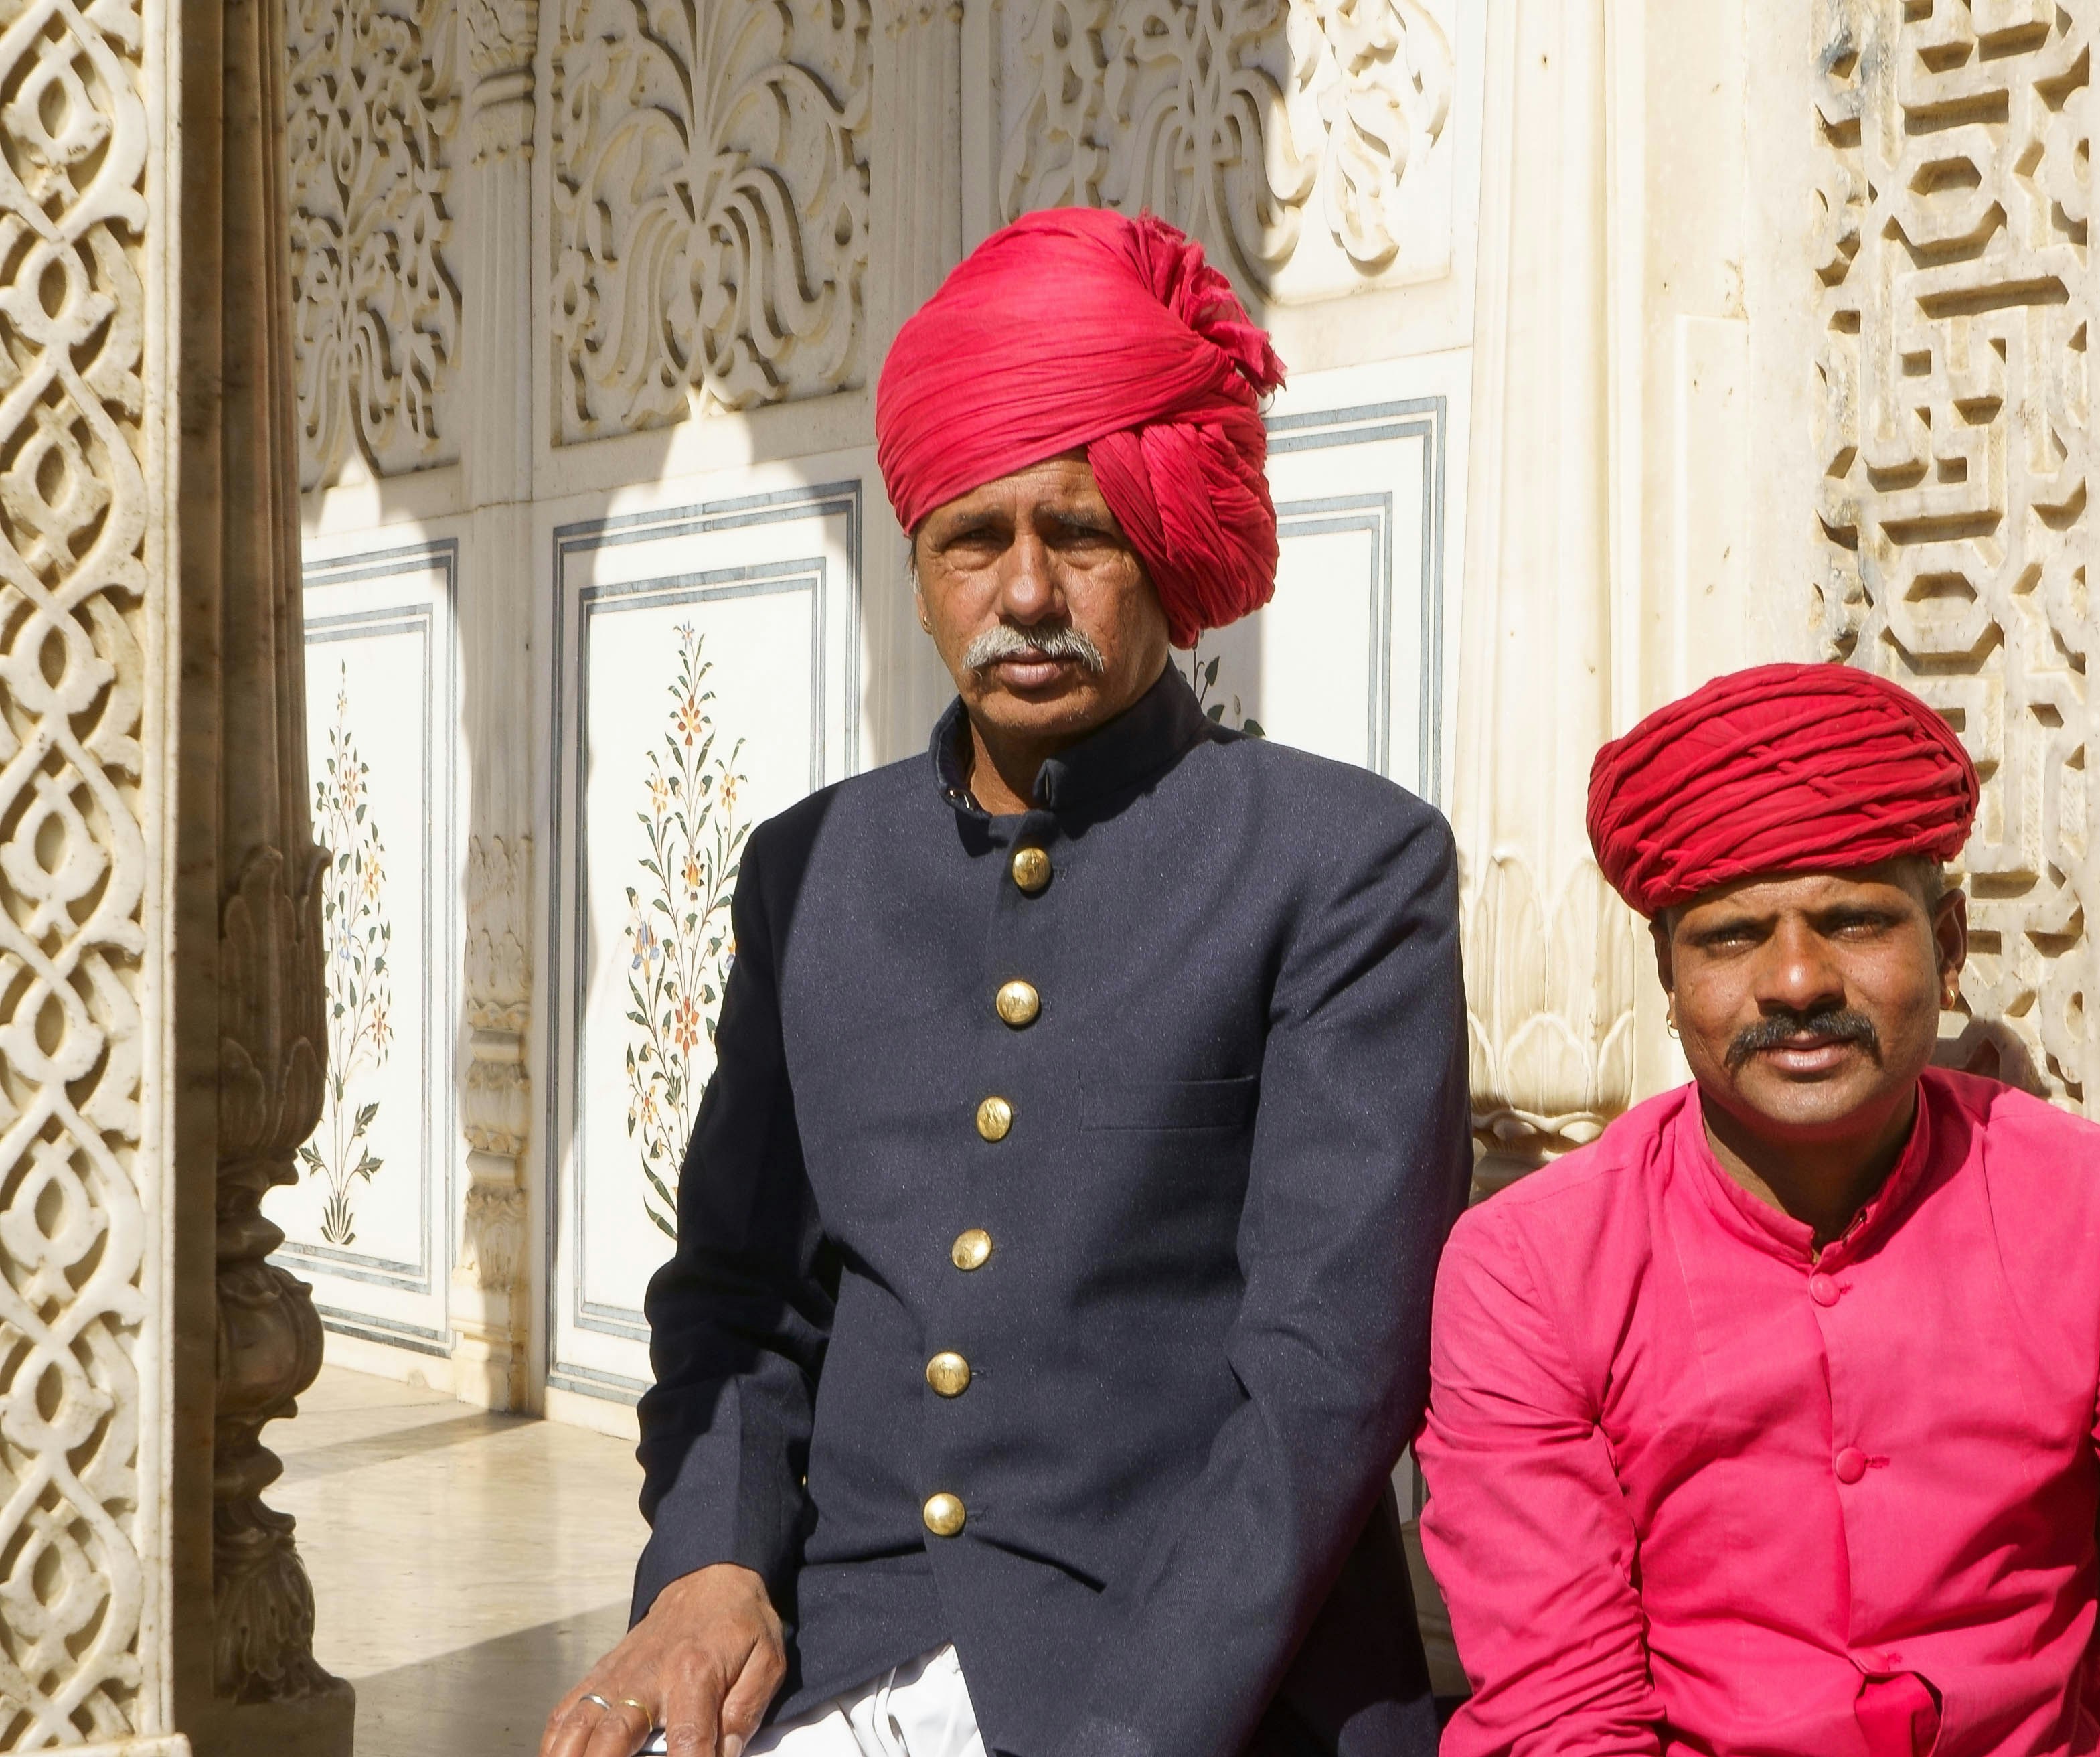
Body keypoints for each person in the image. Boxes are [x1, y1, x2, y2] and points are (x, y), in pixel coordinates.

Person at [540, 210, 1471, 1757]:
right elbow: (743, 1300)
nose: (1025, 592)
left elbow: (1325, 1388)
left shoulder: (1342, 863)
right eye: (973, 541)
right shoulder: (812, 868)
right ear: (917, 575)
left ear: (1167, 554)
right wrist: (709, 1563)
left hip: (1207, 1687)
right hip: (852, 1656)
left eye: (1081, 534)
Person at [1415, 664, 2100, 1757]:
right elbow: (1565, 1723)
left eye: (1852, 921)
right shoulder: (1528, 1266)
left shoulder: (2098, 1202)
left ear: (1948, 951)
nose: (1797, 980)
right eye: (1733, 937)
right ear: (1667, 973)